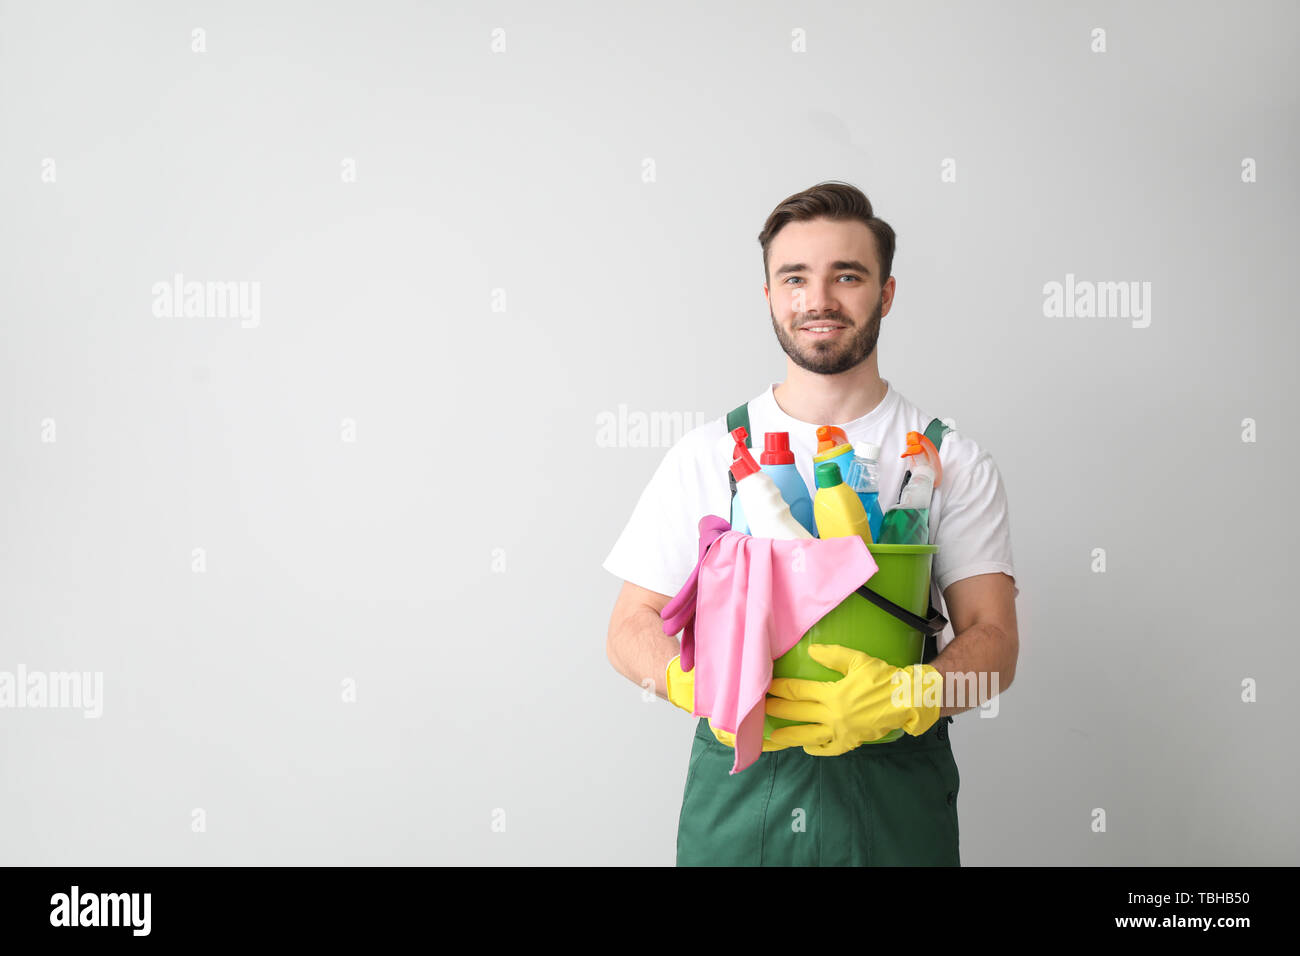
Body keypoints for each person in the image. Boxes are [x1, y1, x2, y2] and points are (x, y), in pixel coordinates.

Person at [602, 181, 1019, 866]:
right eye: (795, 278)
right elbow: (627, 631)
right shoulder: (710, 453)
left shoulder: (949, 458)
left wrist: (916, 694)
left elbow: (995, 644)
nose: (818, 300)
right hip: (740, 807)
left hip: (894, 808)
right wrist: (692, 684)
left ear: (885, 293)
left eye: (846, 276)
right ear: (769, 296)